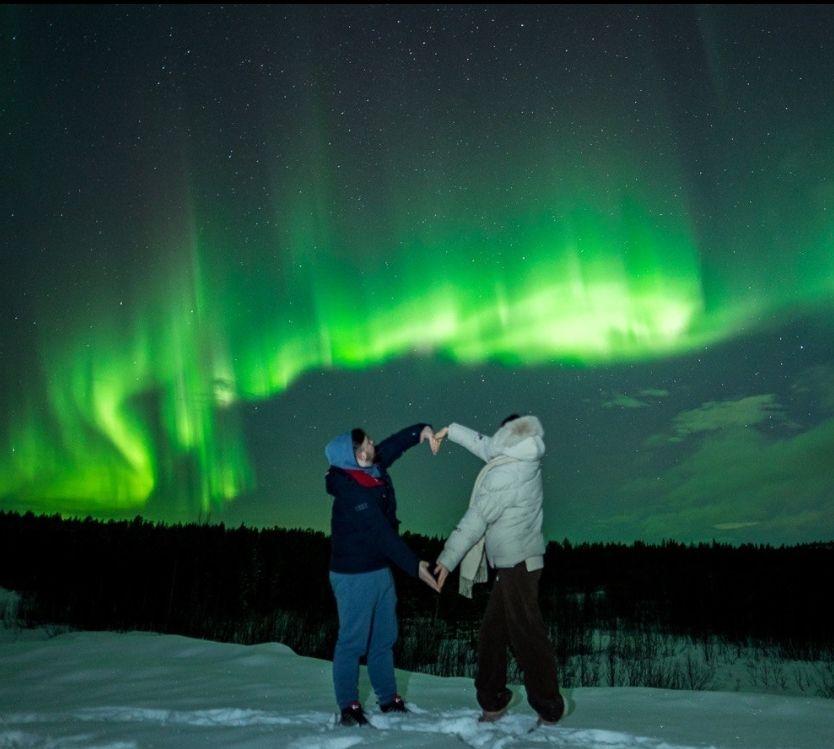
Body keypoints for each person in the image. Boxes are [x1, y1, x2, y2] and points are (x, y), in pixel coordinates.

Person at [433, 414, 565, 726]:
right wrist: (451, 431)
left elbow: (475, 519)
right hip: (515, 564)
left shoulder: (508, 474)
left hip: (518, 565)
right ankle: (493, 700)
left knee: (526, 635)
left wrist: (446, 560)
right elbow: (485, 445)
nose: (497, 438)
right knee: (492, 633)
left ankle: (548, 707)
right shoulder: (519, 454)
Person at [325, 423, 441, 727]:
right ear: (346, 459)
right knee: (352, 642)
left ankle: (388, 699)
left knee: (383, 639)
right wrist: (415, 566)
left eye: (368, 444)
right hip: (353, 575)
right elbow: (381, 534)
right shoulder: (351, 490)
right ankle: (349, 706)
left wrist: (421, 432)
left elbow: (390, 447)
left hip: (378, 569)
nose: (368, 452)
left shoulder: (371, 469)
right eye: (359, 450)